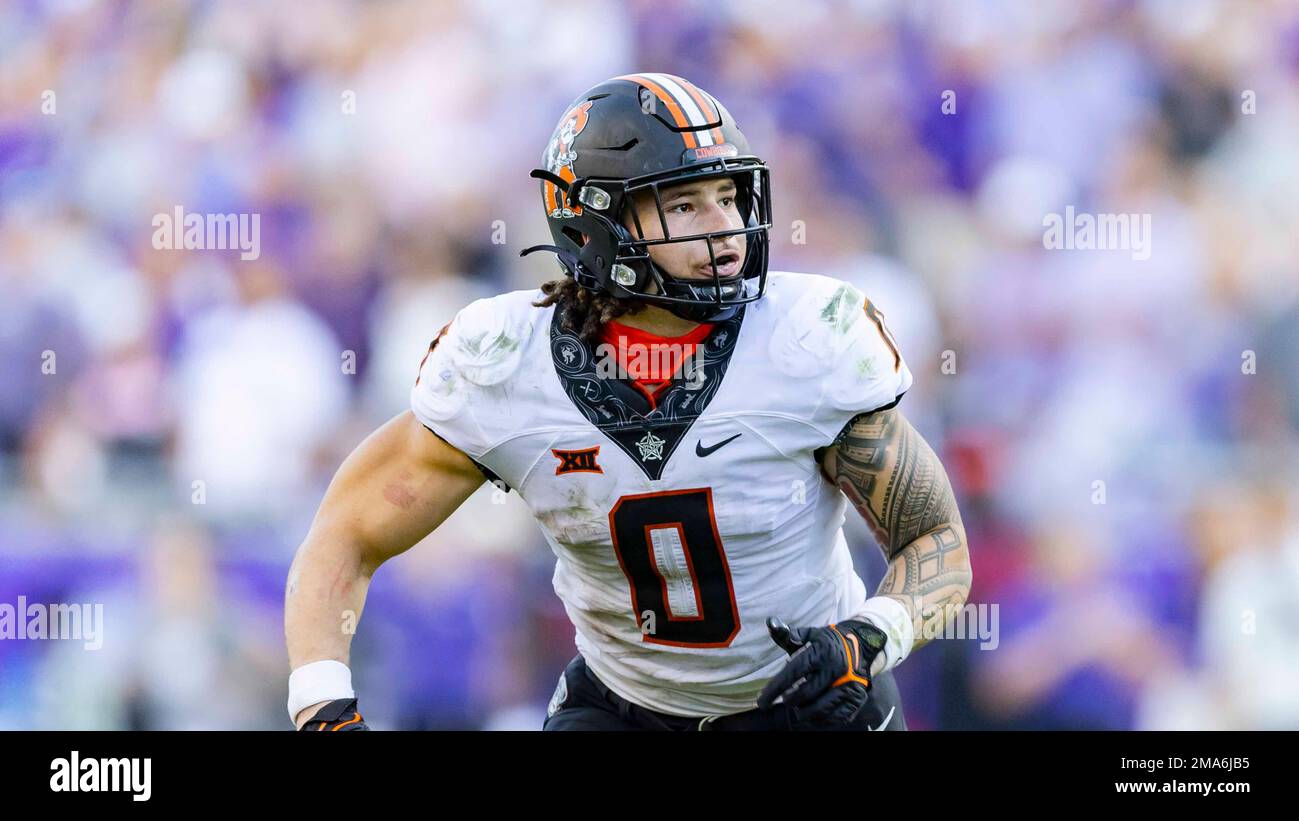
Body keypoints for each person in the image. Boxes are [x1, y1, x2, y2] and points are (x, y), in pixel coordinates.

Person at [285, 73, 972, 731]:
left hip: (814, 695)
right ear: (594, 225)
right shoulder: (504, 361)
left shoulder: (809, 338)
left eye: (728, 197)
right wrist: (322, 702)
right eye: (684, 204)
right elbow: (346, 535)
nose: (726, 228)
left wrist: (869, 636)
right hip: (624, 705)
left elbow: (936, 539)